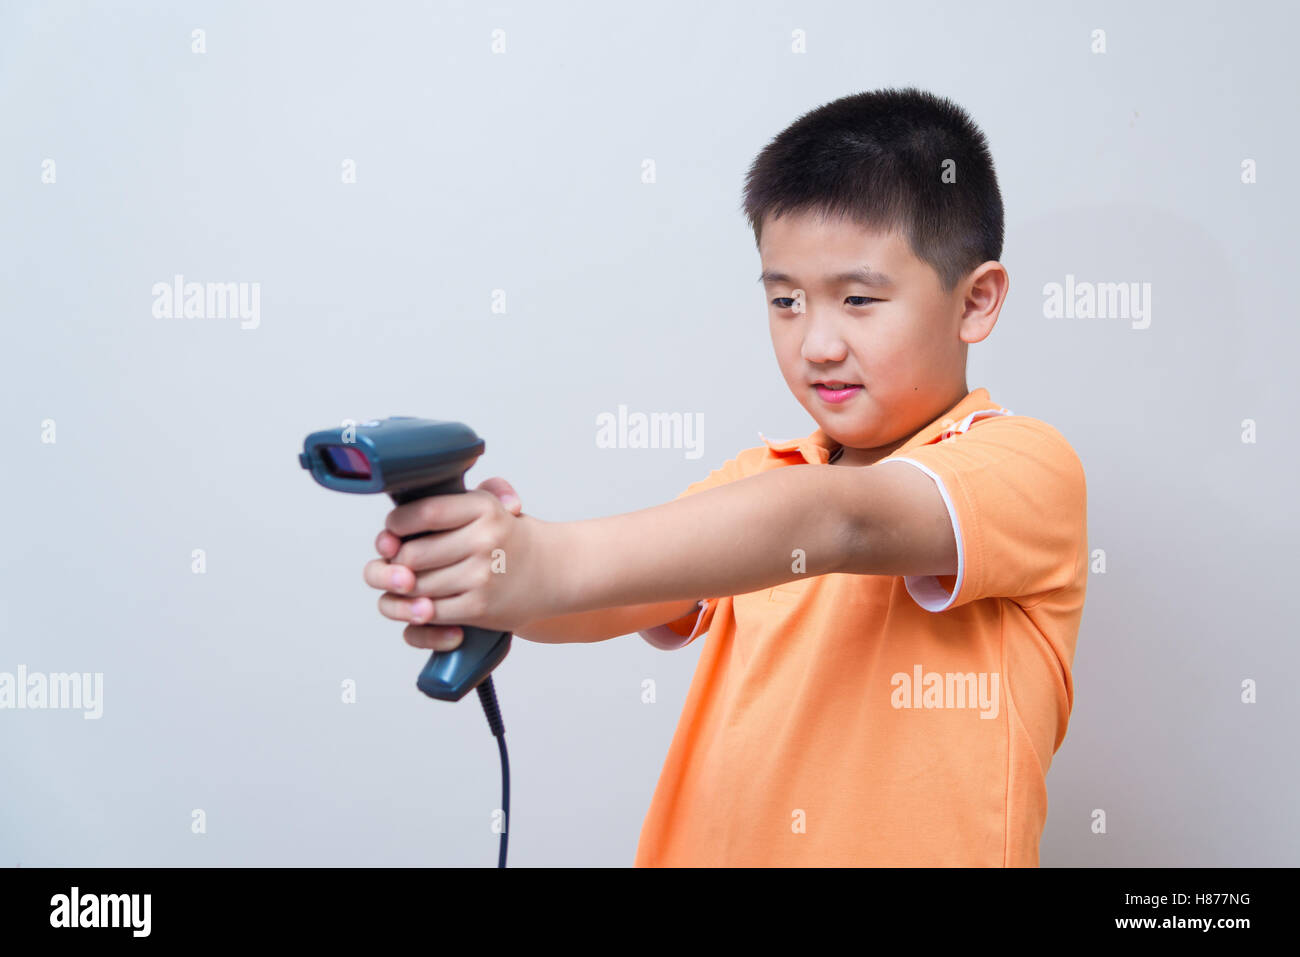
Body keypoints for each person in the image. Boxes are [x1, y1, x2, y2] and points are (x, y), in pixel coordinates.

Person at [362, 87, 1089, 867]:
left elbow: (835, 521)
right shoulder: (760, 479)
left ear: (976, 301)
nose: (815, 343)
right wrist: (497, 570)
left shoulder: (1025, 467)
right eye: (784, 299)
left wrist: (546, 562)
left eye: (858, 299)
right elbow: (606, 590)